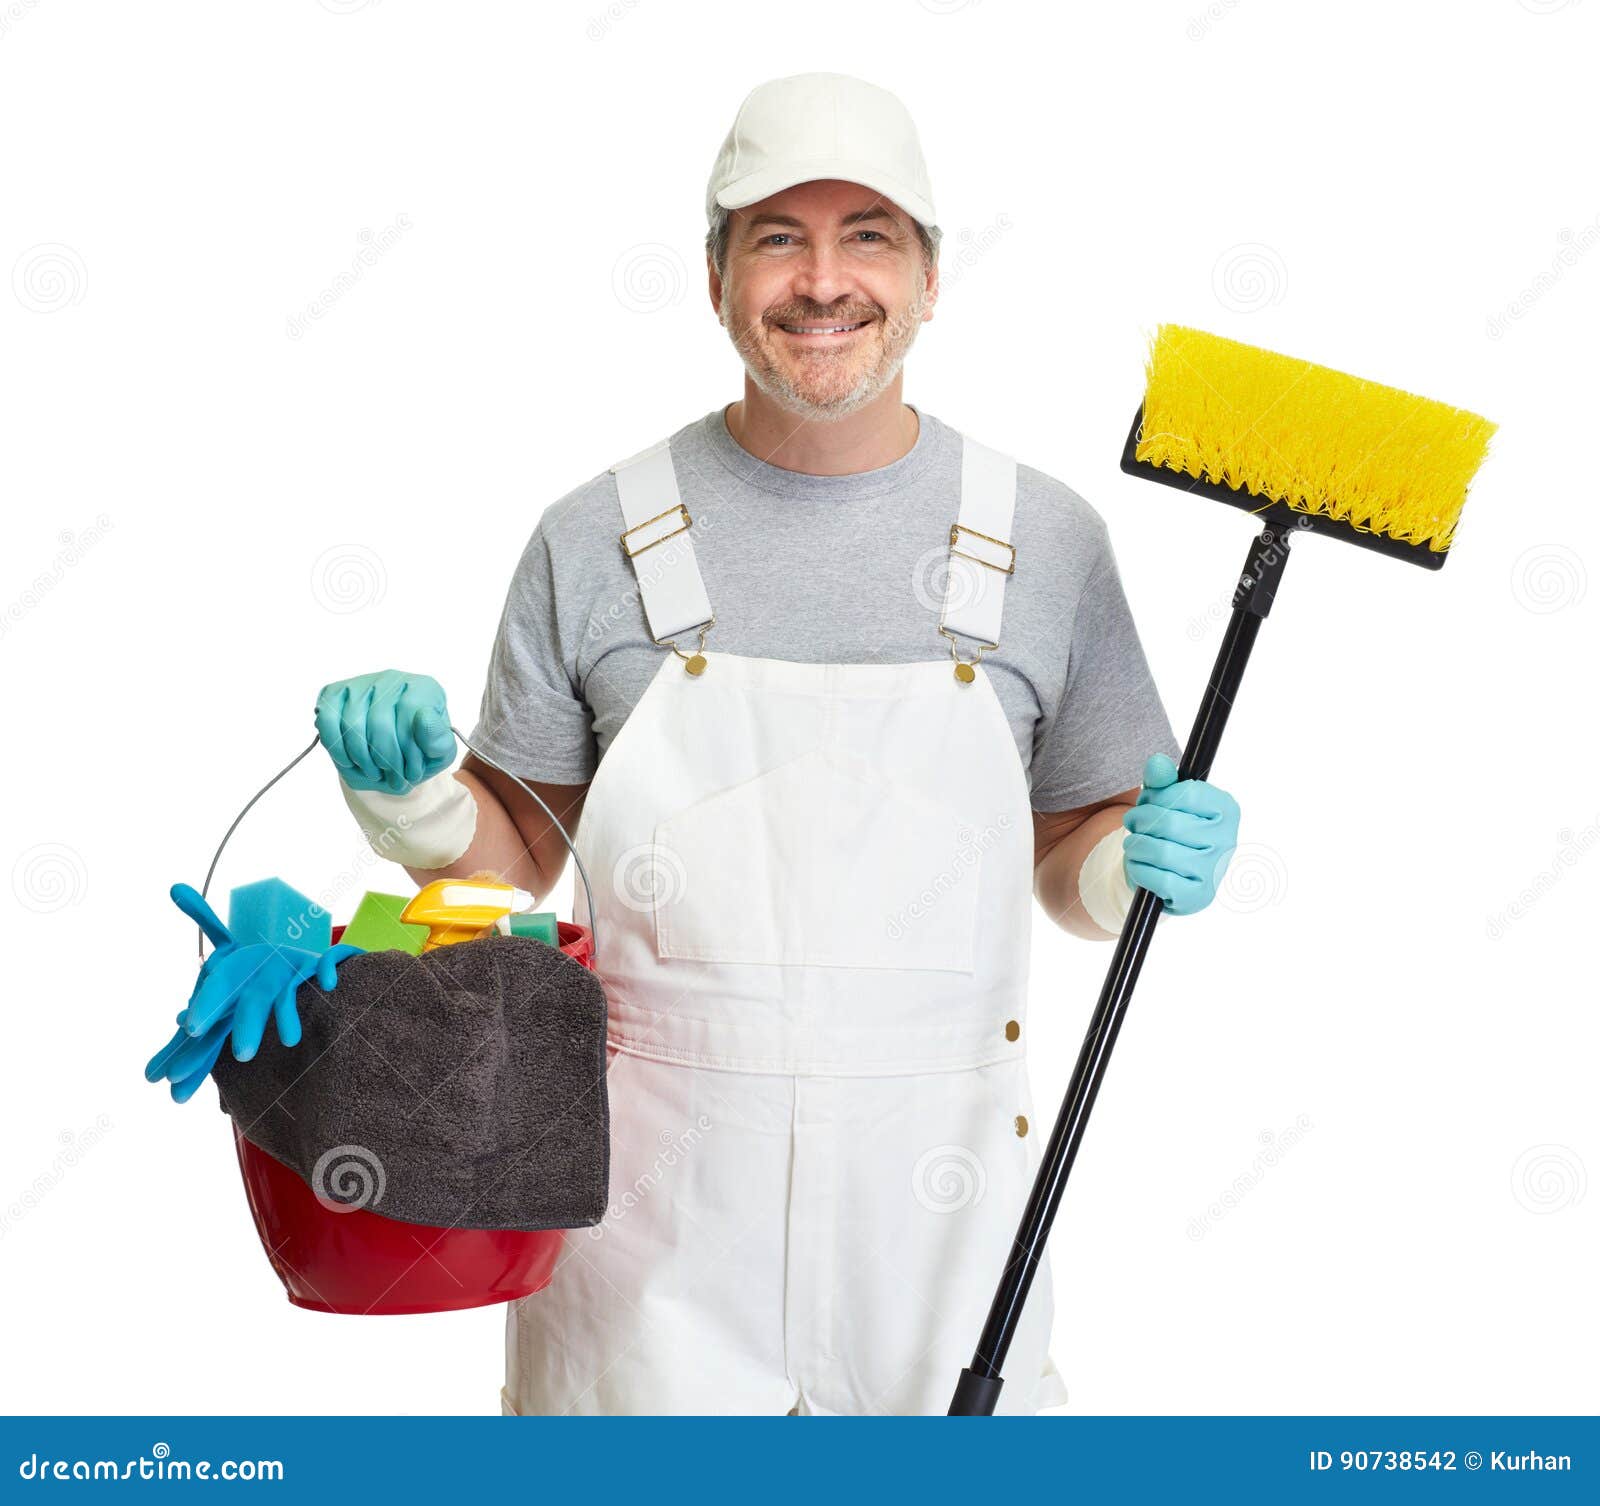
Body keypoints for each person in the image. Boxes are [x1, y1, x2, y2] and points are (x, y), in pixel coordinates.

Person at [315, 72, 1241, 1416]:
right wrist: (408, 800)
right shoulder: (594, 536)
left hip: (946, 1241)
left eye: (868, 232)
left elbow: (1070, 844)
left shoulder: (1047, 542)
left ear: (931, 276)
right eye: (775, 237)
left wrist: (1125, 865)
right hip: (642, 1248)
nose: (823, 280)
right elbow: (513, 858)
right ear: (714, 277)